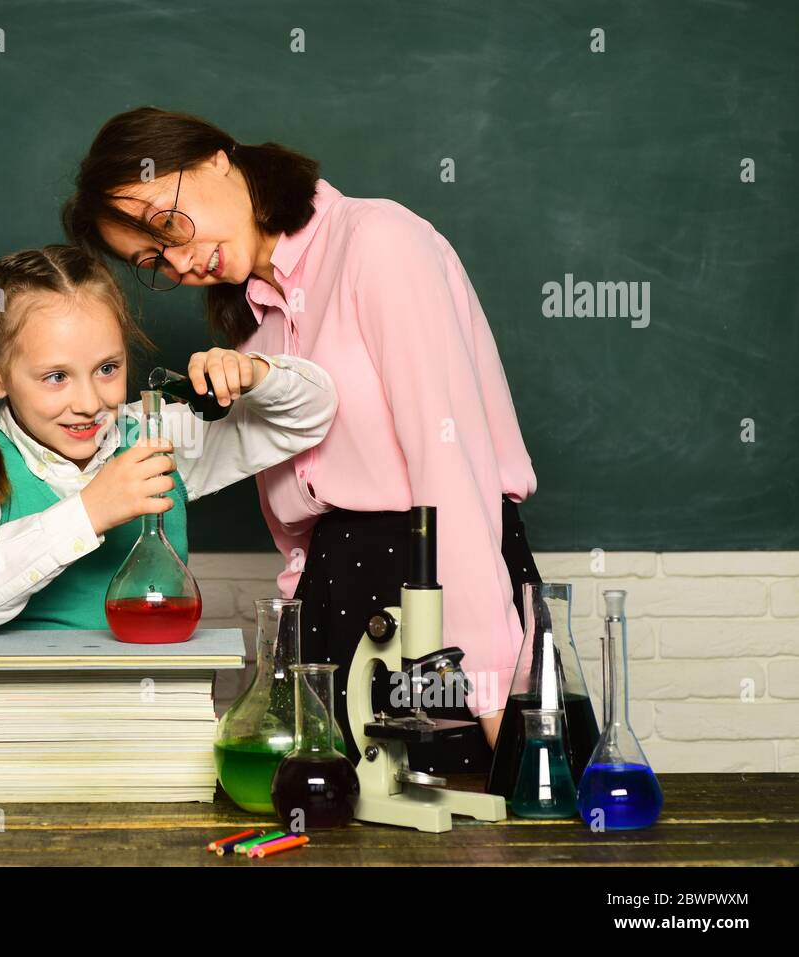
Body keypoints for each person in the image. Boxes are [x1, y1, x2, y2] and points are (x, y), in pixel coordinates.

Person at [63, 108, 543, 773]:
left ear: (215, 159)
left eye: (167, 225)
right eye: (154, 259)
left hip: (442, 574)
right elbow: (299, 518)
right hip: (333, 596)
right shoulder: (252, 324)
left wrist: (490, 693)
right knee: (339, 839)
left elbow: (450, 467)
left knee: (482, 831)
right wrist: (294, 631)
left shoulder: (379, 242)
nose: (177, 261)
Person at [0, 244, 337, 771]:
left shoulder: (159, 437)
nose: (89, 402)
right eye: (55, 377)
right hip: (10, 743)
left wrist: (256, 374)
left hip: (149, 731)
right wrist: (89, 511)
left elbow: (311, 415)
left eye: (107, 368)